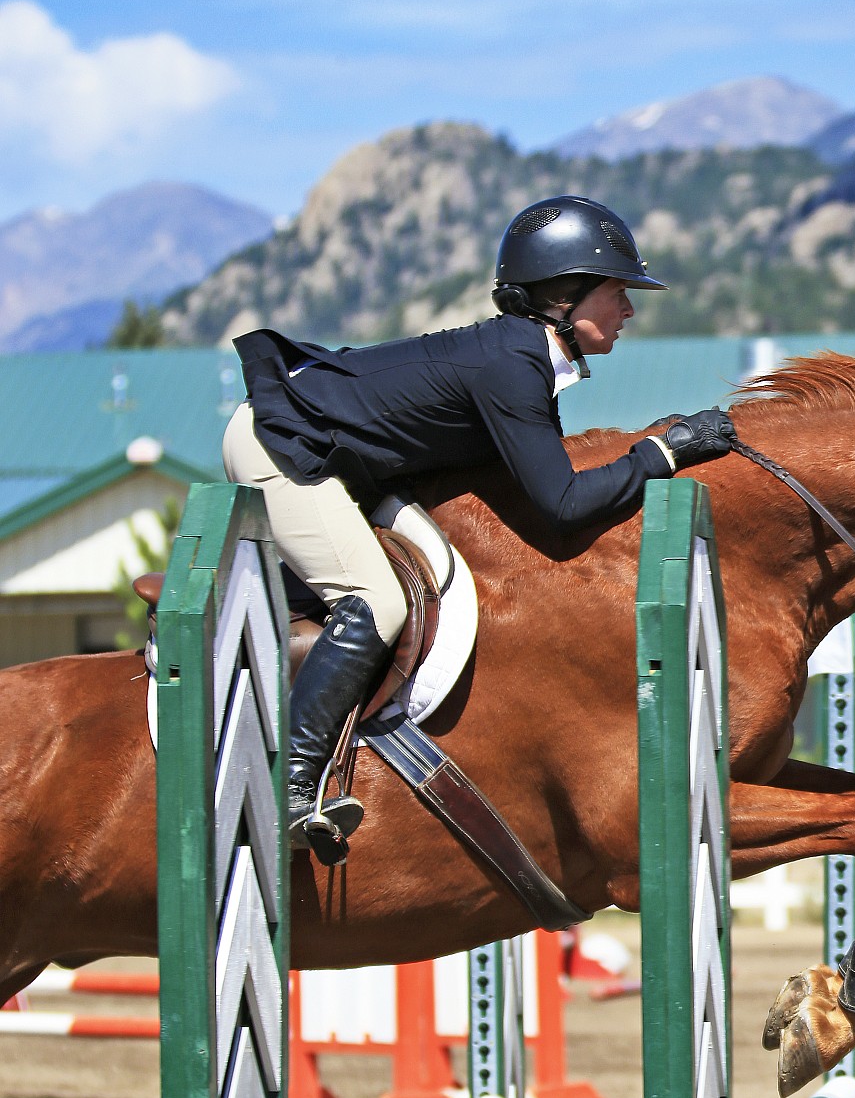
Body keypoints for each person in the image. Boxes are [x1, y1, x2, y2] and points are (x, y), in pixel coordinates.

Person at [223, 195, 736, 848]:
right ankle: (286, 789)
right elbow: (563, 505)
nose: (629, 309)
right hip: (284, 443)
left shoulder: (523, 358)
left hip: (343, 460)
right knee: (375, 600)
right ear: (564, 294)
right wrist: (663, 451)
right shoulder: (512, 366)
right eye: (617, 292)